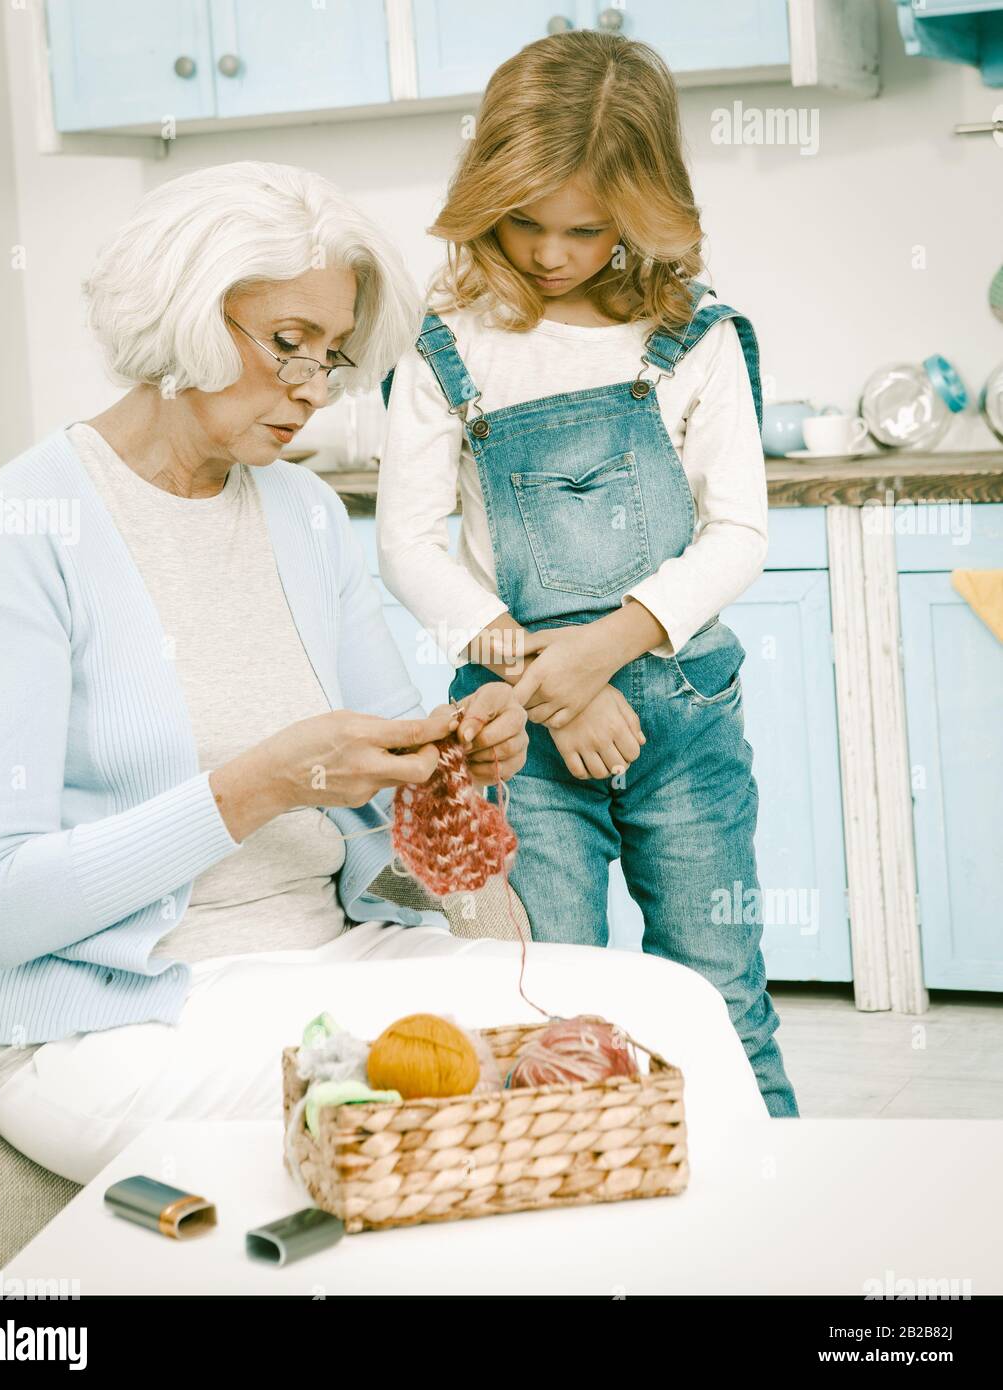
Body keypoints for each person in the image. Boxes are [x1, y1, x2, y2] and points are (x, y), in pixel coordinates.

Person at [0, 161, 530, 1184]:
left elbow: (388, 766)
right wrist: (259, 785)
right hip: (107, 1018)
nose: (311, 387)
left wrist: (452, 750)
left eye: (333, 355)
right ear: (184, 316)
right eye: (285, 344)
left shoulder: (304, 516)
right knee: (457, 1108)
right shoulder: (17, 527)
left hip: (330, 966)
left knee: (668, 1021)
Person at [375, 32, 799, 1117]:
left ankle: (776, 1229)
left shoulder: (690, 338)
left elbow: (737, 532)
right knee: (547, 1007)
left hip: (683, 718)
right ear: (484, 195)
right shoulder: (443, 347)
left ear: (641, 213)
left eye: (586, 230)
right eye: (524, 223)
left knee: (718, 995)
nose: (551, 254)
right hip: (511, 725)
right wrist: (540, 680)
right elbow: (410, 544)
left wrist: (604, 648)